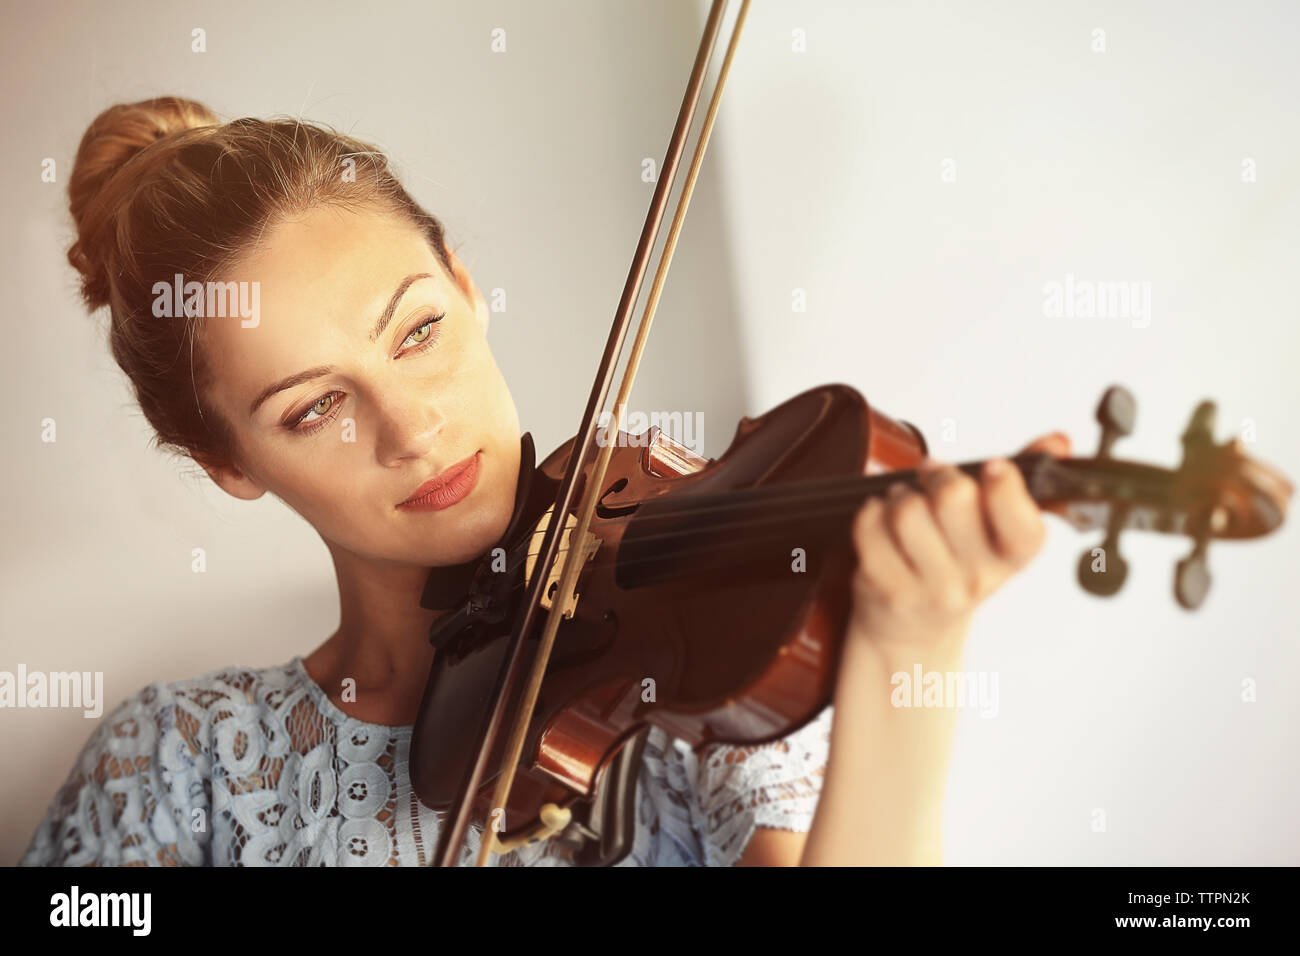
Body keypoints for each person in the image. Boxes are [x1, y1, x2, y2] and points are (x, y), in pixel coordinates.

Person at [19, 97, 1068, 867]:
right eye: (313, 408)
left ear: (468, 288)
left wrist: (910, 648)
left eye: (420, 330)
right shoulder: (173, 762)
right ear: (227, 462)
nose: (413, 425)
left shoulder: (687, 669)